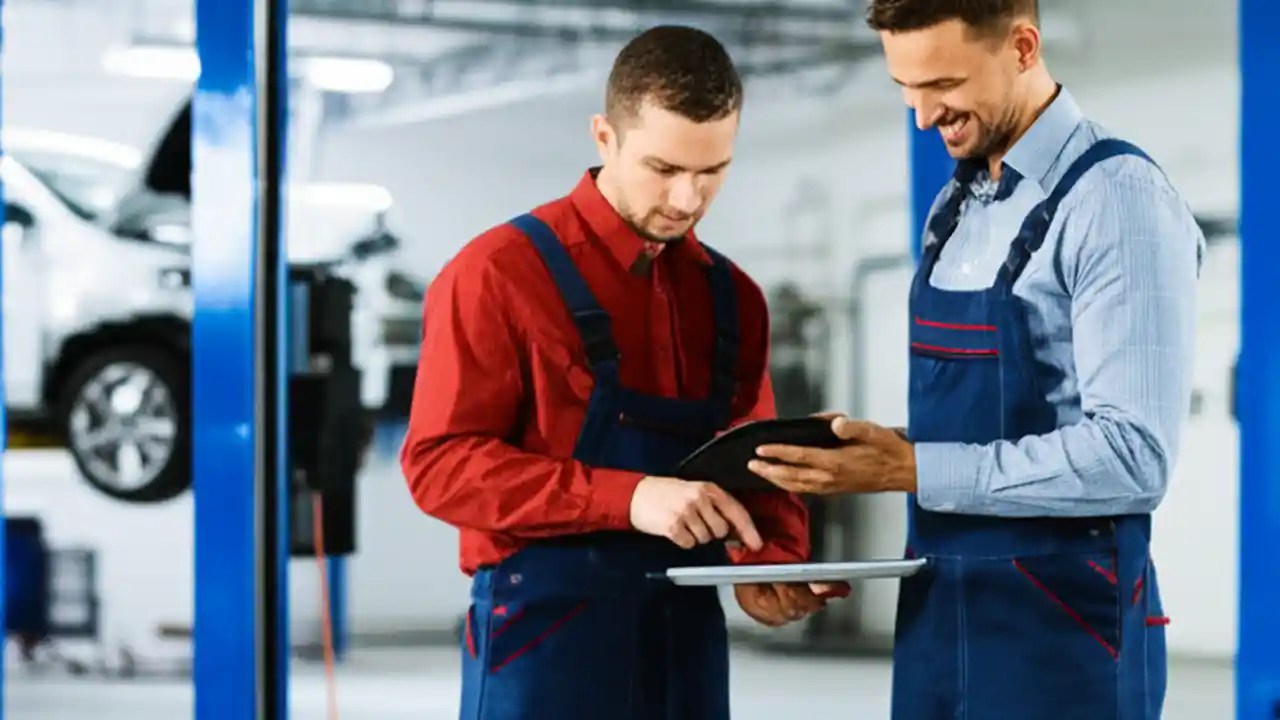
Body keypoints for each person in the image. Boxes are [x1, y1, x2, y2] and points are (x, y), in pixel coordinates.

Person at [746, 1, 1203, 718]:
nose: (924, 117)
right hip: (939, 612)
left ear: (1023, 46)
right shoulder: (956, 208)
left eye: (942, 86)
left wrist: (912, 468)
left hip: (1062, 630)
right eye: (906, 90)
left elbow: (1134, 455)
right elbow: (987, 428)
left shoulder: (1116, 201)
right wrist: (876, 451)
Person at [400, 25, 841, 720]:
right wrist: (629, 497)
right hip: (543, 642)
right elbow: (439, 465)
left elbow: (758, 454)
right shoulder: (496, 276)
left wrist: (771, 562)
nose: (688, 200)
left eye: (712, 171)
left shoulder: (735, 300)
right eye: (663, 169)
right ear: (604, 137)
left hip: (686, 636)